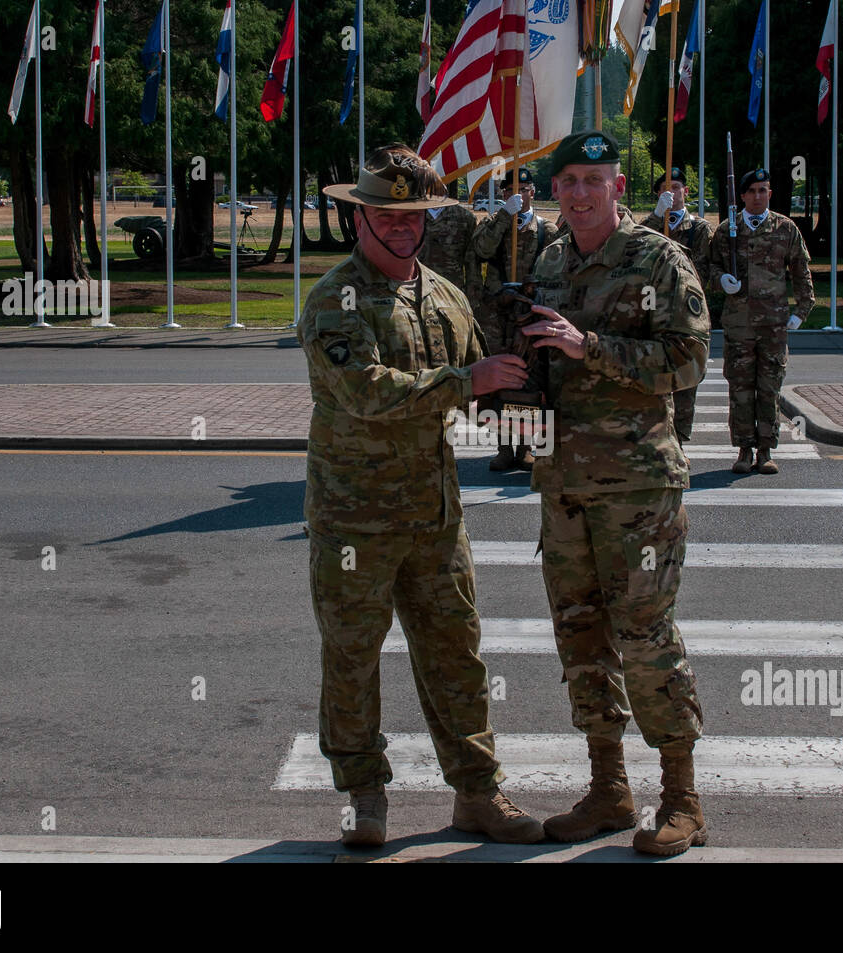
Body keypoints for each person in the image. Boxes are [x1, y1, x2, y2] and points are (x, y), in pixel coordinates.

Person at [299, 144, 544, 848]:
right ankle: (364, 792)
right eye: (389, 216)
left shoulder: (444, 294)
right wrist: (472, 383)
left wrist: (531, 395)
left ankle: (477, 791)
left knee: (455, 651)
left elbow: (482, 393)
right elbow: (367, 393)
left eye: (415, 216)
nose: (405, 228)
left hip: (435, 514)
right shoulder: (334, 300)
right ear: (359, 220)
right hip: (355, 519)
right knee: (353, 654)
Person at [519, 130, 709, 856]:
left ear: (617, 185)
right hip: (562, 484)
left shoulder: (657, 258)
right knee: (579, 634)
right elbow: (545, 363)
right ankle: (607, 788)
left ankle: (683, 799)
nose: (577, 193)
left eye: (591, 180)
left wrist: (588, 346)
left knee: (645, 637)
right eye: (566, 181)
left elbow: (688, 359)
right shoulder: (549, 258)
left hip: (636, 489)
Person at [711, 168, 815, 475]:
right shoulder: (728, 230)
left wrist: (802, 310)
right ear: (742, 195)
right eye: (753, 190)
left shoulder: (785, 228)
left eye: (764, 190)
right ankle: (744, 449)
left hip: (773, 324)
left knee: (769, 388)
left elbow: (801, 271)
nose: (759, 195)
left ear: (770, 194)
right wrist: (721, 280)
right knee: (741, 388)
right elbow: (709, 268)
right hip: (739, 324)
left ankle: (766, 450)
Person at [471, 167, 552, 472]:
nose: (516, 194)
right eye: (508, 191)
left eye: (523, 189)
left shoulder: (547, 230)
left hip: (530, 314)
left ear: (534, 192)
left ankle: (526, 446)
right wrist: (505, 215)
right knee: (498, 381)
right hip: (498, 315)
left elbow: (555, 266)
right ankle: (504, 447)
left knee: (529, 379)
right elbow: (481, 249)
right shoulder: (495, 224)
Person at [641, 167, 716, 444]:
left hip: (686, 314)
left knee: (685, 381)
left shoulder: (699, 230)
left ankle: (680, 442)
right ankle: (657, 441)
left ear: (686, 192)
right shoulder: (649, 225)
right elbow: (635, 252)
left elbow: (706, 271)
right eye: (665, 188)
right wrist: (657, 218)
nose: (671, 192)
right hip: (653, 313)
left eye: (676, 187)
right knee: (656, 379)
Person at [420, 180, 479, 298]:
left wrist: (473, 297)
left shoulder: (464, 218)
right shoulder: (410, 215)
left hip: (452, 293)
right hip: (417, 291)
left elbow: (471, 262)